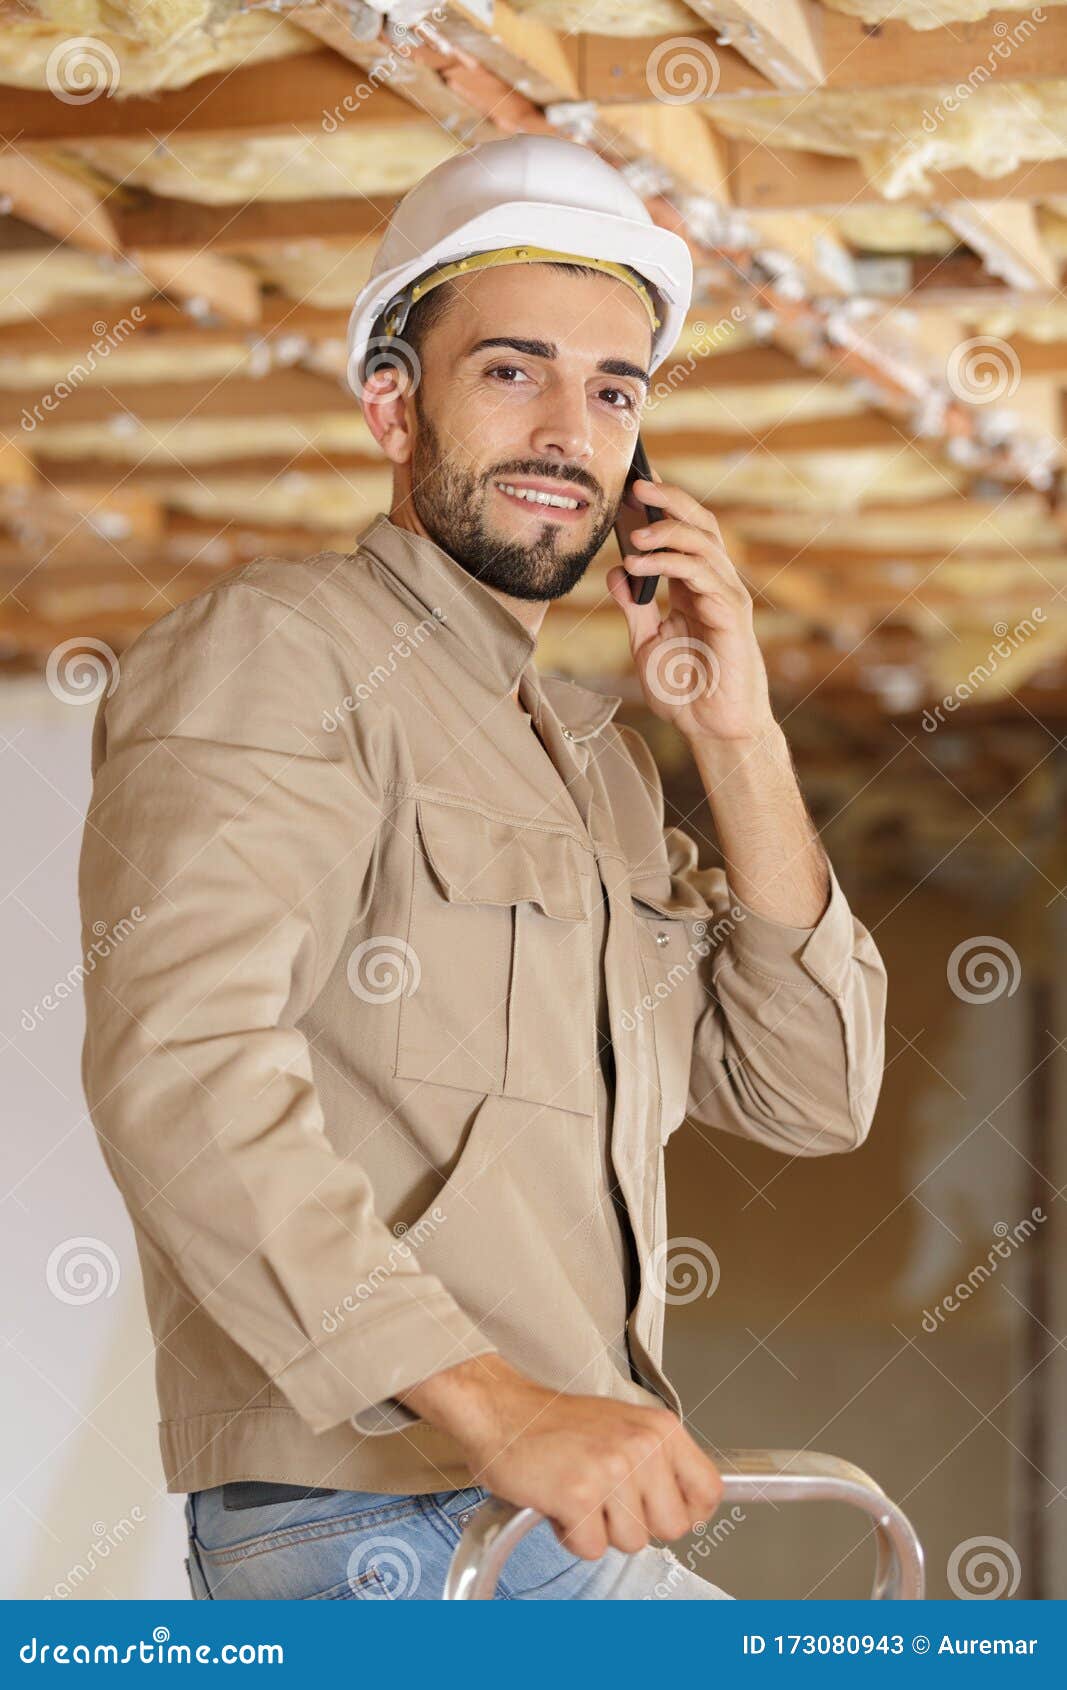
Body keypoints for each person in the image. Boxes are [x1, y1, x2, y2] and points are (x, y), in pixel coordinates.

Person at [78, 134, 888, 1601]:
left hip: (530, 1521)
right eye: (514, 371)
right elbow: (180, 1067)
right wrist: (497, 1407)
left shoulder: (593, 766)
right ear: (394, 403)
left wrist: (739, 735)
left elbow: (811, 1090)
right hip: (379, 1516)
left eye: (615, 390)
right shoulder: (279, 652)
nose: (570, 431)